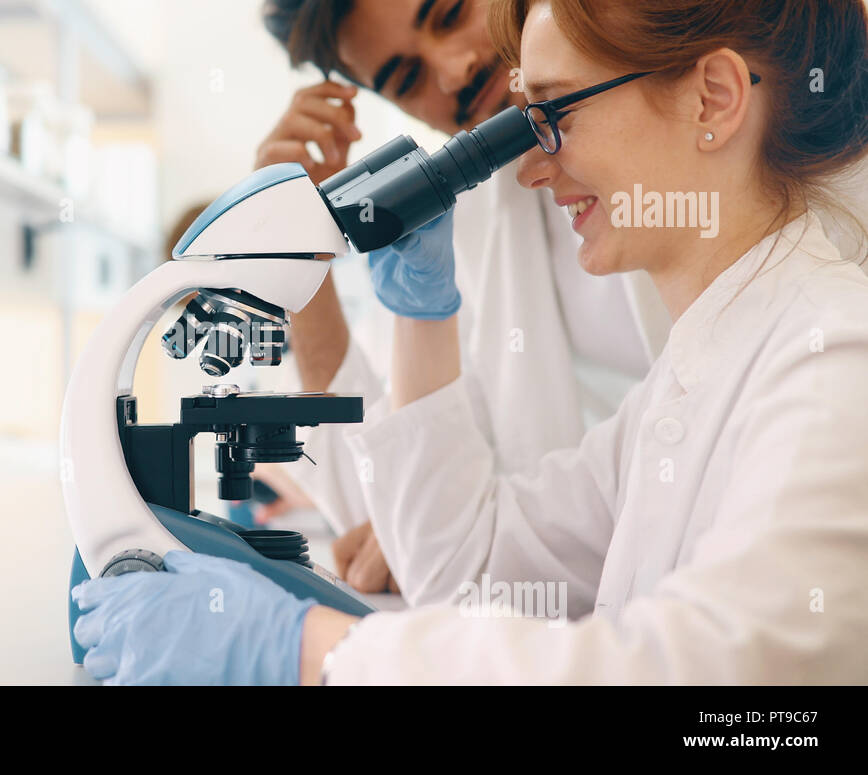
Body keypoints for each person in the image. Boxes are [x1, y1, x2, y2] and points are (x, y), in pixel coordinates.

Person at [71, 0, 868, 684]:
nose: (532, 166)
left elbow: (732, 696)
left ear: (714, 99)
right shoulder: (691, 376)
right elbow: (468, 568)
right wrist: (421, 309)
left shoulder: (834, 359)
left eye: (555, 112)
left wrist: (311, 652)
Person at [255, 0, 674, 594]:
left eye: (450, 14)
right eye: (407, 79)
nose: (452, 71)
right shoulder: (467, 223)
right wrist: (297, 249)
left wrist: (442, 535)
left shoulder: (690, 125)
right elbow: (385, 493)